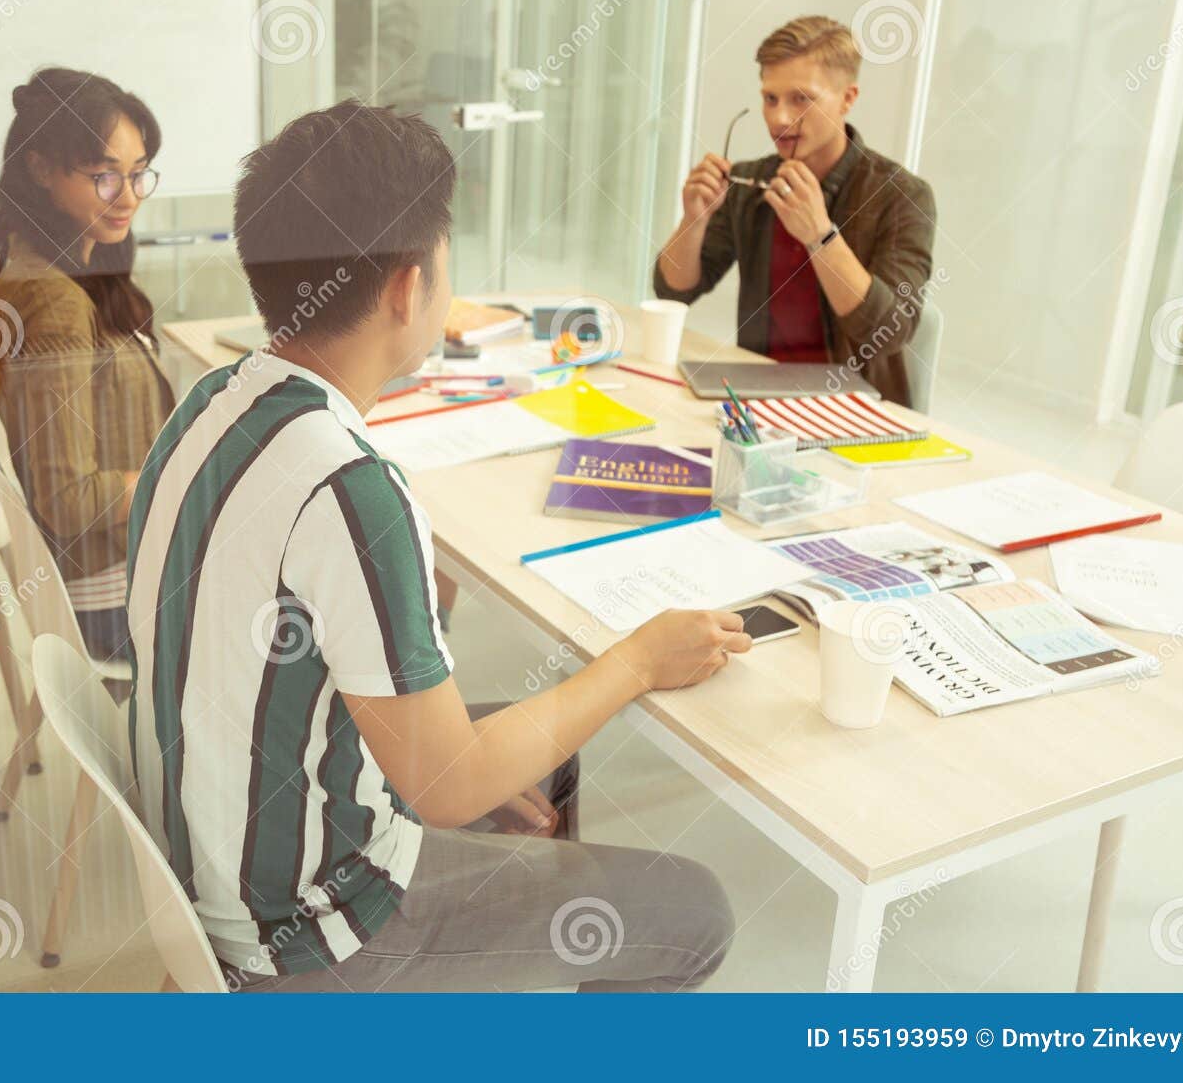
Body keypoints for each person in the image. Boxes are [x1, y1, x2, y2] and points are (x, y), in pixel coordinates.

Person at [125, 100, 744, 993]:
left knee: (546, 751)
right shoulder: (350, 488)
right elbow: (449, 790)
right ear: (409, 287)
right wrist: (640, 658)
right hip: (305, 937)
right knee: (697, 913)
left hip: (207, 864)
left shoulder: (214, 398)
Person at [0, 68, 174, 662]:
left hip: (118, 575)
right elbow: (65, 498)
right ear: (40, 171)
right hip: (113, 598)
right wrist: (188, 478)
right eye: (104, 176)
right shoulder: (56, 301)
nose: (130, 196)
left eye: (138, 175)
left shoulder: (57, 270)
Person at [655, 16, 936, 406]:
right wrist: (693, 221)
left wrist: (820, 236)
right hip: (755, 401)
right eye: (770, 98)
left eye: (801, 99)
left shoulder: (901, 195)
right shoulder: (749, 181)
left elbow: (888, 329)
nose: (779, 118)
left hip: (853, 409)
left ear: (848, 98)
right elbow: (673, 289)